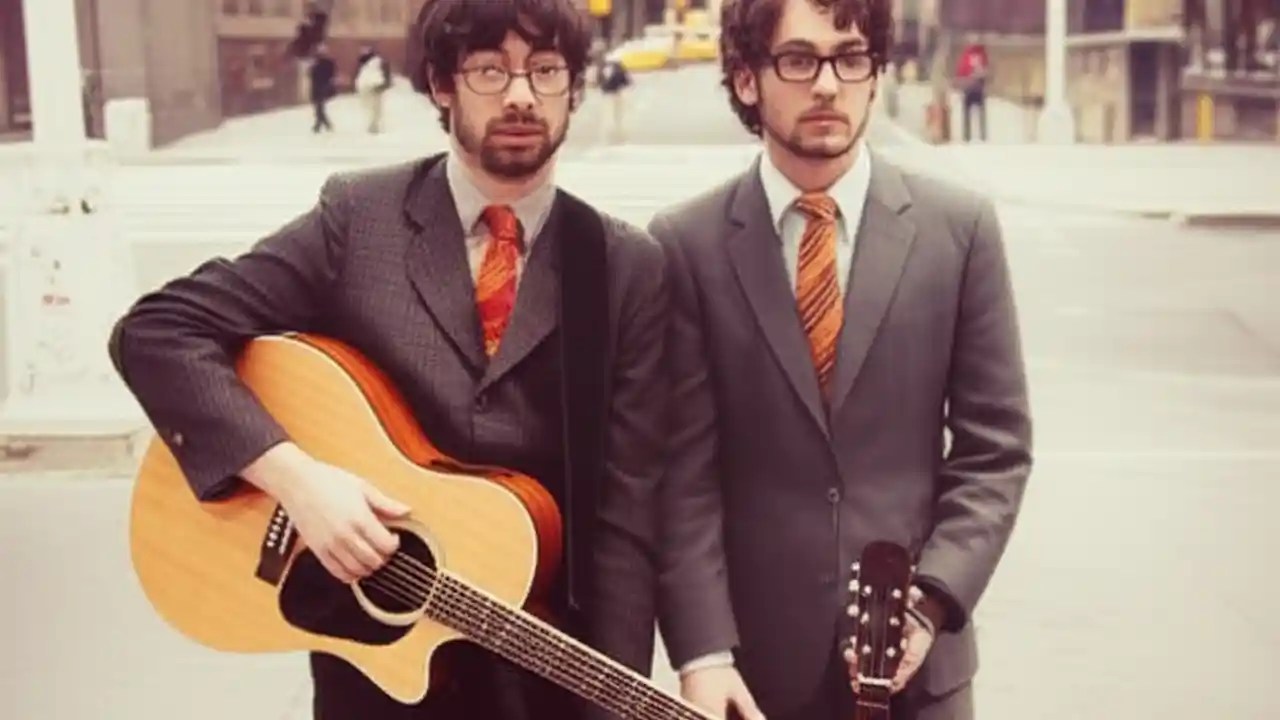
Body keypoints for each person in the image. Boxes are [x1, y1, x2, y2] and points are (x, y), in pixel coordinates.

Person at [107, 0, 667, 717]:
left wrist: (617, 702)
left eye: (547, 70)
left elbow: (627, 516)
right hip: (371, 671)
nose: (522, 95)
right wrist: (300, 482)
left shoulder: (622, 264)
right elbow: (158, 332)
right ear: (441, 84)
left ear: (576, 88)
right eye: (490, 70)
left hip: (540, 678)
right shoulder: (360, 219)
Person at [648, 0, 1032, 719]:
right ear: (746, 79)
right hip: (752, 680)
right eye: (798, 60)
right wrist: (702, 654)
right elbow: (682, 476)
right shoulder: (685, 245)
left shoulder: (960, 230)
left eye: (850, 58)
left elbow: (996, 452)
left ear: (876, 73)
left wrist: (930, 603)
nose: (828, 85)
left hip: (920, 676)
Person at [355, 44, 393, 133]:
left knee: (371, 107)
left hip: (369, 86)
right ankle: (373, 125)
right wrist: (385, 84)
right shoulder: (378, 62)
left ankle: (373, 125)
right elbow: (386, 74)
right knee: (375, 108)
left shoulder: (366, 64)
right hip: (375, 86)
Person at [954, 42, 987, 143]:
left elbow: (961, 69)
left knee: (967, 113)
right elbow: (985, 70)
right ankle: (982, 135)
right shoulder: (982, 55)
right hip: (978, 87)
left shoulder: (967, 55)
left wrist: (961, 80)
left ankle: (967, 136)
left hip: (968, 87)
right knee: (981, 113)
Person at [309, 42, 337, 133]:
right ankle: (325, 124)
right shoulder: (315, 62)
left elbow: (330, 75)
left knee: (319, 107)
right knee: (319, 108)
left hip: (323, 87)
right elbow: (311, 75)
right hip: (316, 87)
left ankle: (319, 125)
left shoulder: (327, 63)